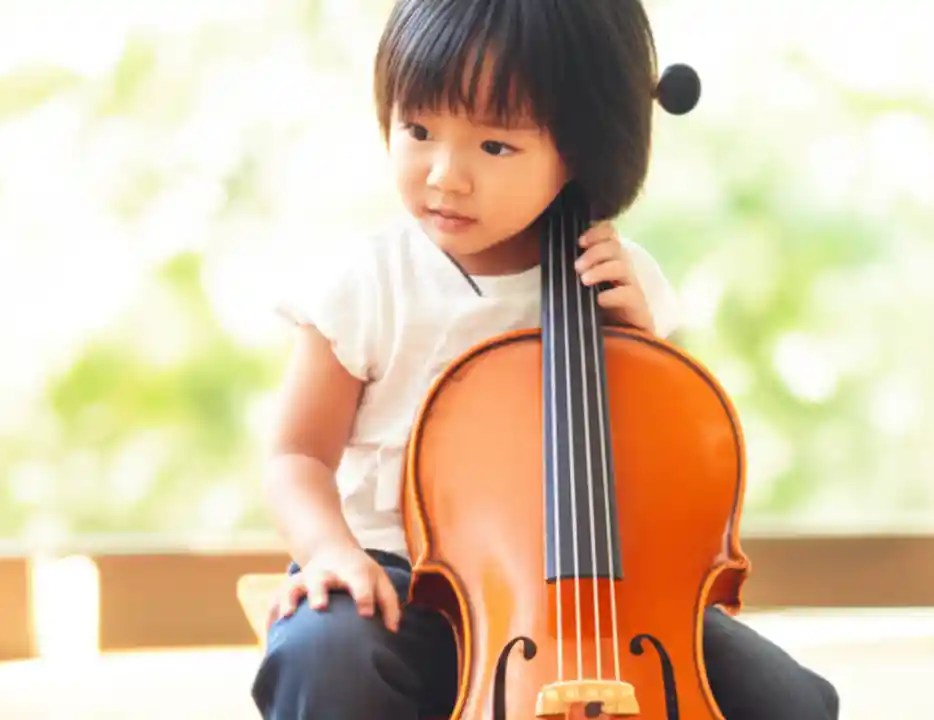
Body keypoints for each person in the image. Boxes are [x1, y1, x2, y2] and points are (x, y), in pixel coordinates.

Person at [251, 0, 840, 718]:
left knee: (788, 700)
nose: (445, 175)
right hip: (398, 586)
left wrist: (641, 350)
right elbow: (295, 456)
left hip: (600, 600)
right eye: (418, 129)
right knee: (327, 656)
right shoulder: (371, 283)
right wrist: (330, 552)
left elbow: (677, 483)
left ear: (585, 144)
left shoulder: (622, 283)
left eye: (495, 147)